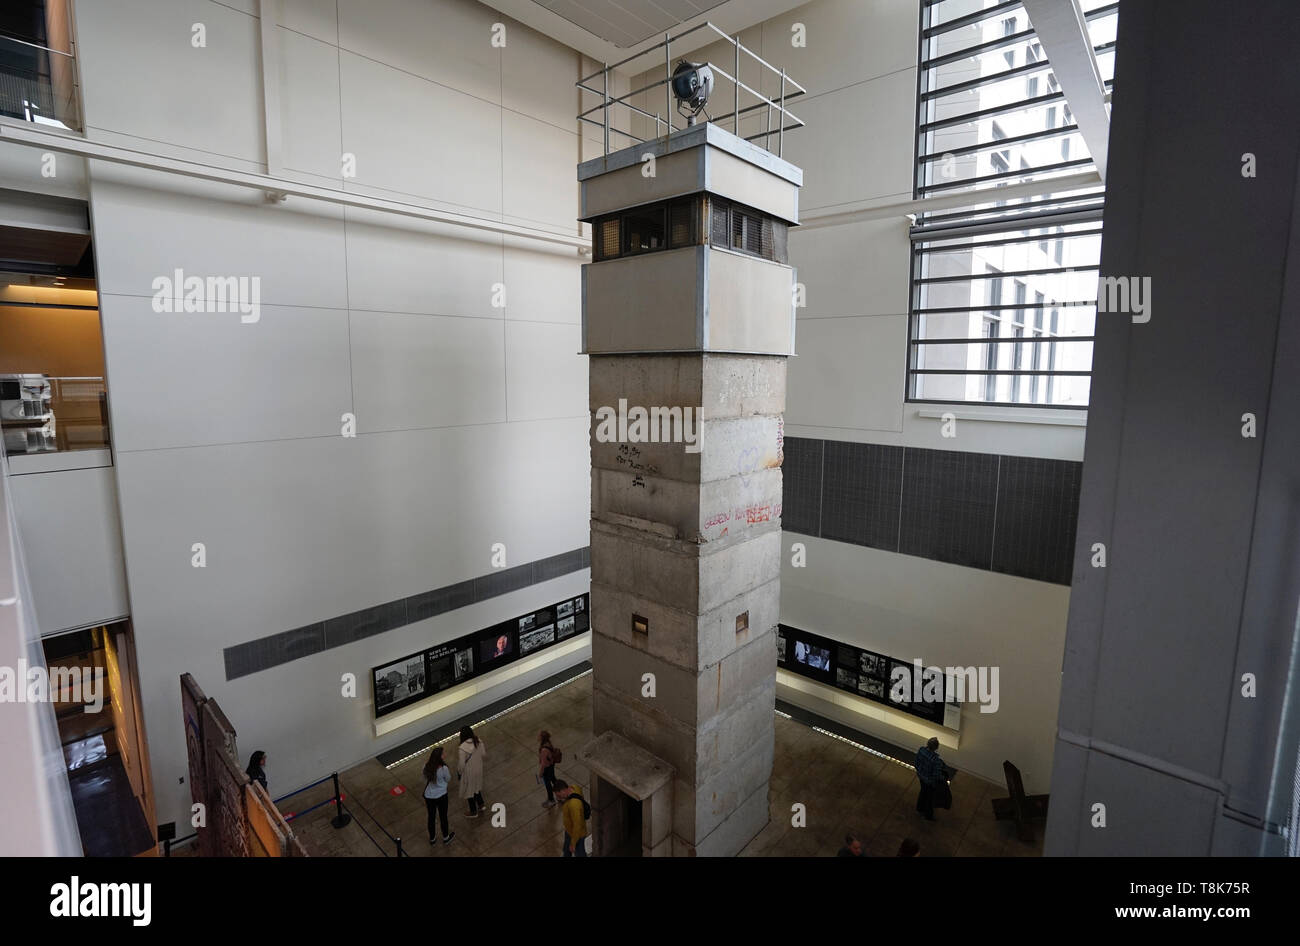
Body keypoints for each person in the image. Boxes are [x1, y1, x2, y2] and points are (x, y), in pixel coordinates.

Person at [423, 747, 455, 845]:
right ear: (439, 757)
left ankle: (432, 839)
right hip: (441, 795)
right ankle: (446, 837)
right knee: (443, 817)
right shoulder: (443, 768)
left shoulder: (425, 766)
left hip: (429, 796)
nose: (444, 754)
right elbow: (448, 779)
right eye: (443, 754)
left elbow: (424, 778)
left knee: (431, 817)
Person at [914, 737, 948, 821]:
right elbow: (936, 775)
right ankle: (928, 815)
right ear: (936, 748)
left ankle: (919, 808)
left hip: (921, 777)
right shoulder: (936, 761)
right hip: (930, 782)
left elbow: (916, 763)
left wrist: (920, 772)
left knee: (923, 791)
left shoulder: (921, 750)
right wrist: (943, 778)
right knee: (929, 798)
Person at [554, 779, 588, 857]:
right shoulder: (575, 787)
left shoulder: (573, 805)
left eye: (558, 795)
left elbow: (577, 826)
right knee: (566, 849)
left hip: (577, 835)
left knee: (580, 853)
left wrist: (573, 843)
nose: (558, 798)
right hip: (569, 831)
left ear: (563, 790)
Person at [458, 725, 486, 817]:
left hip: (469, 772)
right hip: (479, 768)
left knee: (469, 790)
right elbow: (483, 754)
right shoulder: (478, 741)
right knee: (476, 787)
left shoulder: (462, 748)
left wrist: (459, 772)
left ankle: (473, 811)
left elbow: (462, 764)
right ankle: (481, 804)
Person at [538, 730, 558, 808]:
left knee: (548, 784)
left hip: (547, 768)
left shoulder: (544, 750)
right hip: (551, 766)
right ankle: (561, 791)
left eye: (539, 736)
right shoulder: (548, 744)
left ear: (542, 738)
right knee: (553, 779)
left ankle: (551, 800)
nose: (538, 737)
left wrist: (540, 773)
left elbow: (544, 763)